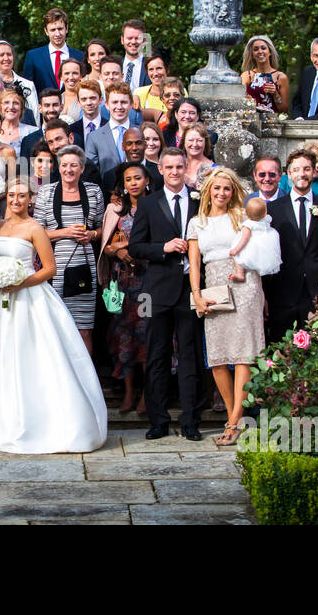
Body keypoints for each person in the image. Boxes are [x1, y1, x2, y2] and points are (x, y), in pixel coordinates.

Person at [0, 179, 108, 453]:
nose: (16, 200)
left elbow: (49, 269)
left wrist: (20, 283)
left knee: (32, 353)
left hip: (29, 298)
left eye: (22, 196)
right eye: (12, 195)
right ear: (6, 197)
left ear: (30, 199)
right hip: (0, 299)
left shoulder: (35, 228)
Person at [187, 169, 280, 446]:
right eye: (217, 188)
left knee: (243, 355)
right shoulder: (197, 222)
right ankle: (234, 418)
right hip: (214, 286)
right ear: (208, 190)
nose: (221, 193)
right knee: (217, 358)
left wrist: (262, 293)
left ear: (233, 192)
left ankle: (234, 422)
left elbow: (260, 249)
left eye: (226, 188)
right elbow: (194, 264)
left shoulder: (241, 216)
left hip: (245, 285)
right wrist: (197, 295)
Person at [130, 148, 204, 440]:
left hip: (190, 287)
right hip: (155, 291)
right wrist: (163, 247)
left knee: (190, 355)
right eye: (169, 167)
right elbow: (135, 247)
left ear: (186, 168)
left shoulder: (200, 200)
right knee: (156, 354)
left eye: (179, 167)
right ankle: (158, 420)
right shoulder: (148, 203)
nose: (174, 172)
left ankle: (190, 420)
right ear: (160, 170)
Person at [33, 145, 105, 355]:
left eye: (74, 165)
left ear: (82, 168)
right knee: (57, 328)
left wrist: (92, 235)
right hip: (54, 268)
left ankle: (86, 375)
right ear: (59, 167)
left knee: (84, 330)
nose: (68, 170)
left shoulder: (93, 191)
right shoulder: (46, 192)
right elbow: (36, 232)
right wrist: (65, 232)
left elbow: (103, 227)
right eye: (64, 165)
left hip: (86, 266)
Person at [264, 149, 318, 343]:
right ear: (288, 174)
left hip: (317, 290)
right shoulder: (273, 209)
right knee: (282, 348)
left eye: (306, 169)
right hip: (282, 291)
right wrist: (265, 294)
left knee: (317, 348)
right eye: (296, 170)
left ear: (314, 171)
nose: (301, 174)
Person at [98, 161, 153, 414]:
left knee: (146, 335)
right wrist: (116, 250)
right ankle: (129, 390)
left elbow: (158, 241)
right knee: (122, 335)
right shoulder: (116, 209)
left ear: (147, 181)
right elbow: (106, 246)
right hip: (120, 283)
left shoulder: (156, 206)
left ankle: (147, 393)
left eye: (137, 178)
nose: (133, 183)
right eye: (128, 179)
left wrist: (127, 247)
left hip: (148, 282)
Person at [86, 84, 137, 176]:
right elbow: (91, 173)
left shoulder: (141, 132)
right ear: (106, 105)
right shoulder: (94, 137)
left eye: (124, 102)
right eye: (114, 102)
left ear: (131, 104)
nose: (119, 106)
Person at [240, 34, 290, 114]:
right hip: (252, 119)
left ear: (270, 52)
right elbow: (239, 101)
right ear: (252, 54)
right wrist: (246, 99)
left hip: (273, 120)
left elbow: (284, 110)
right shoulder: (246, 76)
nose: (260, 51)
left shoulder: (281, 77)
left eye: (263, 48)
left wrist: (276, 94)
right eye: (256, 49)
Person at [101, 128, 160, 193]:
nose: (134, 148)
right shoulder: (111, 176)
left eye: (138, 143)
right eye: (129, 143)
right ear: (123, 146)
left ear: (145, 145)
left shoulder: (159, 172)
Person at [0, 40, 37, 118]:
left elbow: (34, 114)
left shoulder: (27, 85)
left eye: (9, 54)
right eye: (1, 55)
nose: (6, 58)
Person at [0, 88, 38, 155]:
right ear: (1, 106)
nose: (11, 107)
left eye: (16, 103)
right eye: (6, 102)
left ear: (22, 107)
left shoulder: (33, 132)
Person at [179, 123, 215, 188]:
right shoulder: (177, 165)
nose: (195, 144)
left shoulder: (213, 169)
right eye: (191, 140)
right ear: (184, 141)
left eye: (199, 141)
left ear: (205, 143)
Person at [58, 58, 85, 122]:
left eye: (75, 73)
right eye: (67, 73)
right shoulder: (57, 98)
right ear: (61, 76)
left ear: (81, 76)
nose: (71, 77)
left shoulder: (86, 99)